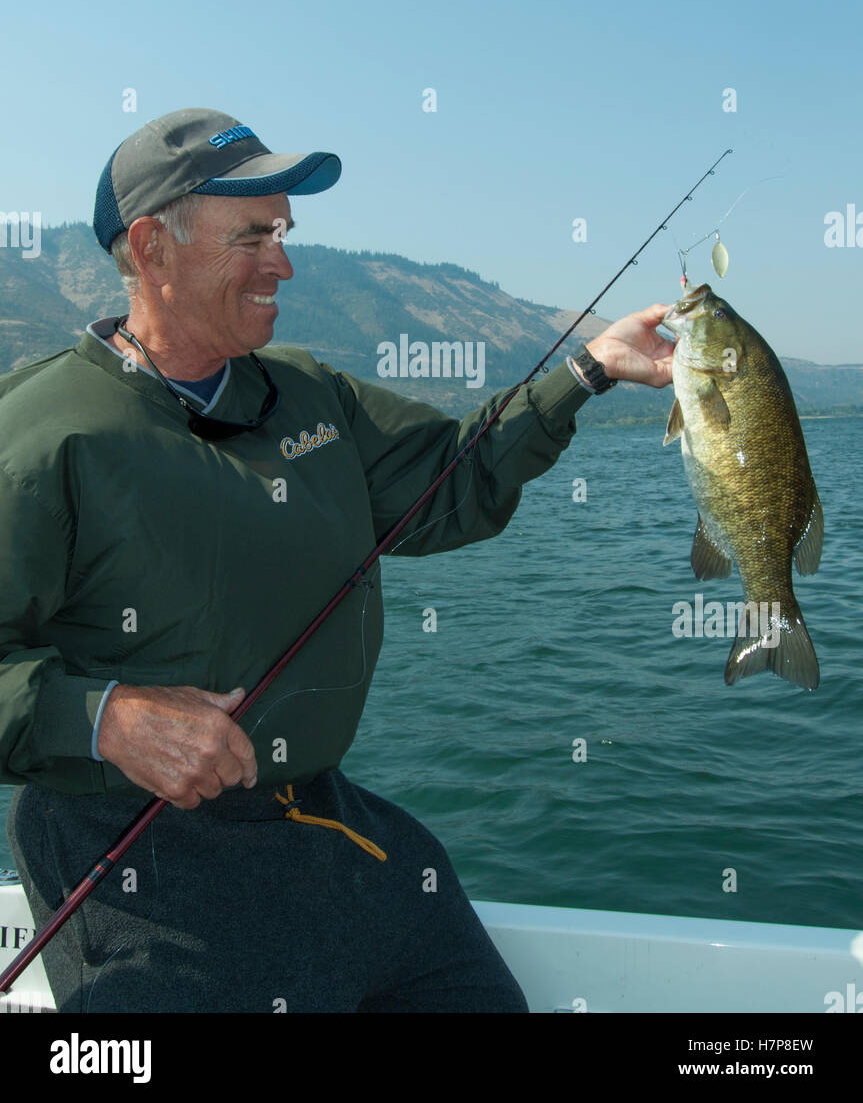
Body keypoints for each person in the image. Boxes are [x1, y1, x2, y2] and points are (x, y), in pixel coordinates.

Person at [0, 108, 674, 1013]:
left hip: (328, 826)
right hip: (136, 864)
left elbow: (452, 485)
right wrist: (106, 718)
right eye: (254, 236)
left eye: (284, 232)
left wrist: (585, 371)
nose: (283, 261)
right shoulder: (39, 435)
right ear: (152, 246)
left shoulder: (310, 389)